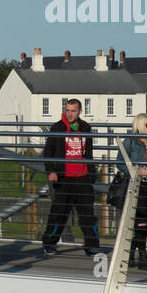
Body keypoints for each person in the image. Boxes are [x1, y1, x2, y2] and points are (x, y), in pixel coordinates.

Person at [41, 99, 100, 256]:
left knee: (87, 215)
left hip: (83, 178)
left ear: (80, 111)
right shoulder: (57, 127)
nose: (70, 113)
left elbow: (89, 152)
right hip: (63, 178)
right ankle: (49, 243)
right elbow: (48, 152)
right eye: (67, 110)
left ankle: (91, 246)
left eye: (73, 111)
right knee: (58, 213)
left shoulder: (86, 127)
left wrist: (92, 173)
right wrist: (51, 171)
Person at [118, 112, 147, 271]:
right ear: (139, 126)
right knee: (141, 220)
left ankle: (130, 252)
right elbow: (119, 163)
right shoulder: (130, 143)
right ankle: (143, 256)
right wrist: (135, 170)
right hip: (137, 185)